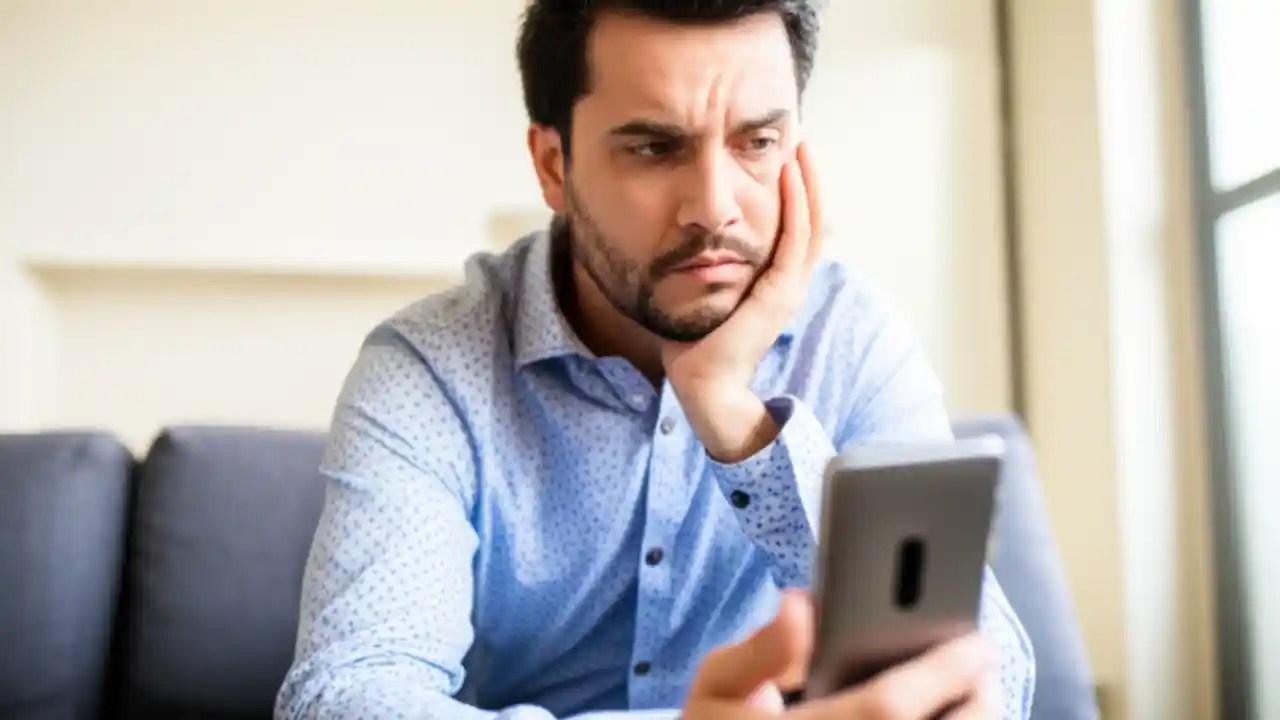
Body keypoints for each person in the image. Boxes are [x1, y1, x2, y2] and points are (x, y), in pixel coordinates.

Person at [275, 1, 1035, 718]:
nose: (713, 205)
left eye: (757, 143)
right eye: (653, 148)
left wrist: (739, 423)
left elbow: (987, 674)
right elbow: (347, 697)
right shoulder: (433, 370)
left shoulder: (853, 340)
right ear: (553, 166)